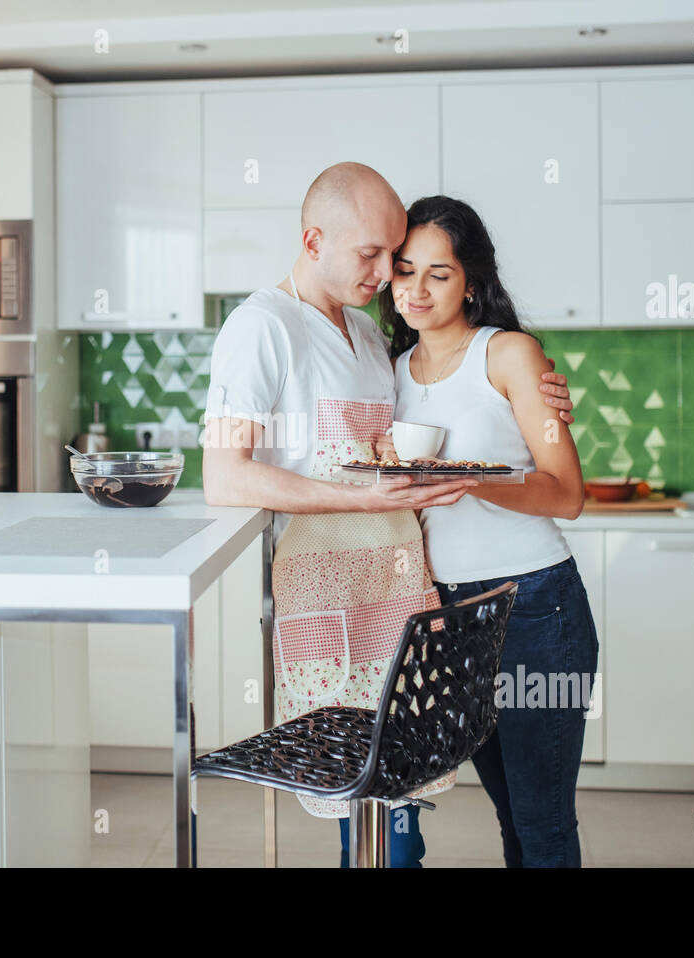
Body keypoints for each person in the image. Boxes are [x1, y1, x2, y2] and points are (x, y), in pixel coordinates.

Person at [201, 163, 576, 867]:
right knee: (377, 822)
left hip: (406, 603)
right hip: (333, 605)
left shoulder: (374, 338)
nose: (388, 277)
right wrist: (363, 496)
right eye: (374, 256)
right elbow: (222, 475)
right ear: (313, 240)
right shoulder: (258, 327)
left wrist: (531, 397)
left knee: (403, 824)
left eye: (395, 258)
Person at [379, 194, 599, 867]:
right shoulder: (393, 370)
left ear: (472, 280)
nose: (416, 291)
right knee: (510, 812)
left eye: (438, 274)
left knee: (541, 819)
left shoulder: (509, 355)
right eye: (404, 270)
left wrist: (474, 477)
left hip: (533, 606)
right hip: (448, 616)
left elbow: (568, 493)